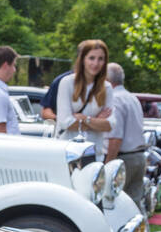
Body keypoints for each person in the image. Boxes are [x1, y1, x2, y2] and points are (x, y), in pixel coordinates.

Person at [55, 40, 117, 157]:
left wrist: (85, 119)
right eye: (91, 58)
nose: (96, 63)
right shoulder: (67, 83)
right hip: (68, 152)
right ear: (83, 59)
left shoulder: (106, 87)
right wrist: (97, 121)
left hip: (94, 153)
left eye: (100, 59)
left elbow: (110, 125)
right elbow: (65, 122)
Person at [104, 62, 148, 210]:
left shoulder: (114, 99)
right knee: (135, 204)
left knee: (116, 203)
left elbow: (115, 136)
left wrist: (107, 166)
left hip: (124, 158)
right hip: (138, 156)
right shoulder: (131, 97)